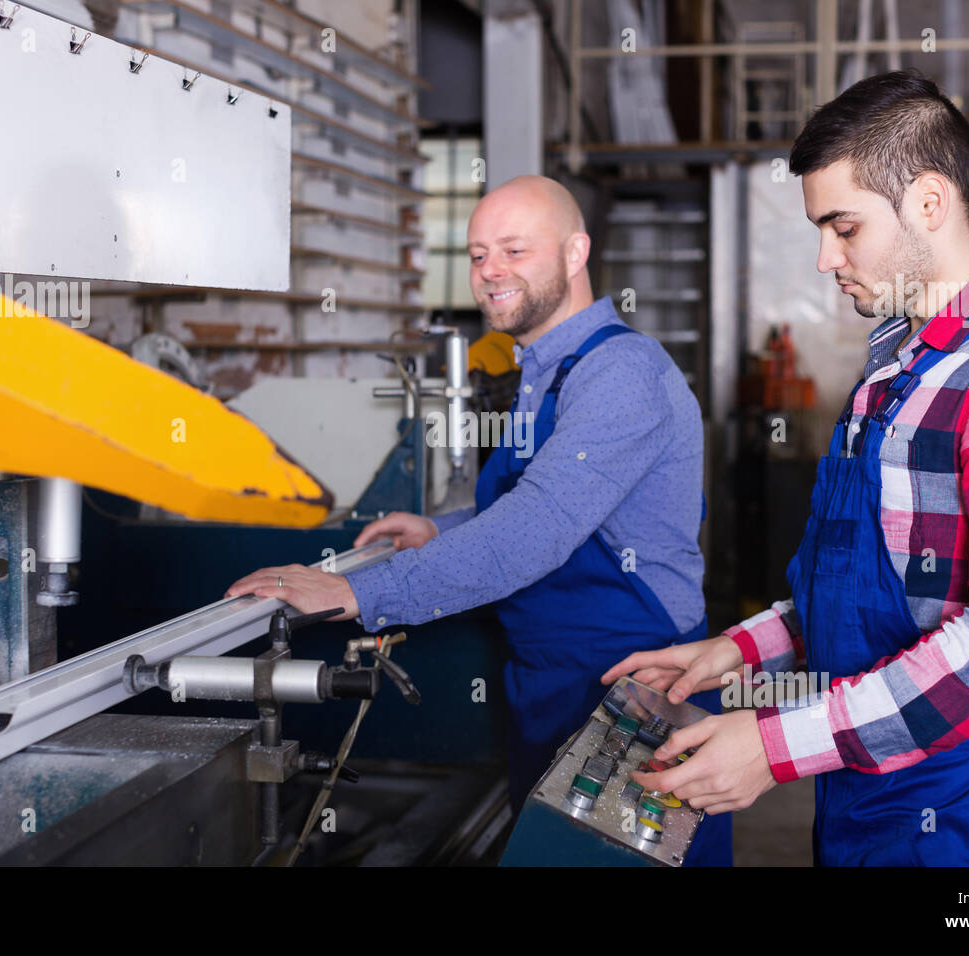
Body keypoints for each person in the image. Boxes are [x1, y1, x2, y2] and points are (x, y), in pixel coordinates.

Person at [605, 70, 969, 866]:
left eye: (842, 227)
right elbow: (875, 595)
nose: (824, 259)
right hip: (864, 792)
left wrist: (775, 745)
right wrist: (739, 653)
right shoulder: (897, 367)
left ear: (927, 202)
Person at [227, 174, 731, 864]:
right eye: (477, 254)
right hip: (551, 682)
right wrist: (445, 527)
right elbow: (540, 499)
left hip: (629, 682)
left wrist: (356, 592)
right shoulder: (546, 370)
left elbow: (539, 528)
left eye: (515, 250)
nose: (490, 270)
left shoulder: (621, 374)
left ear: (575, 252)